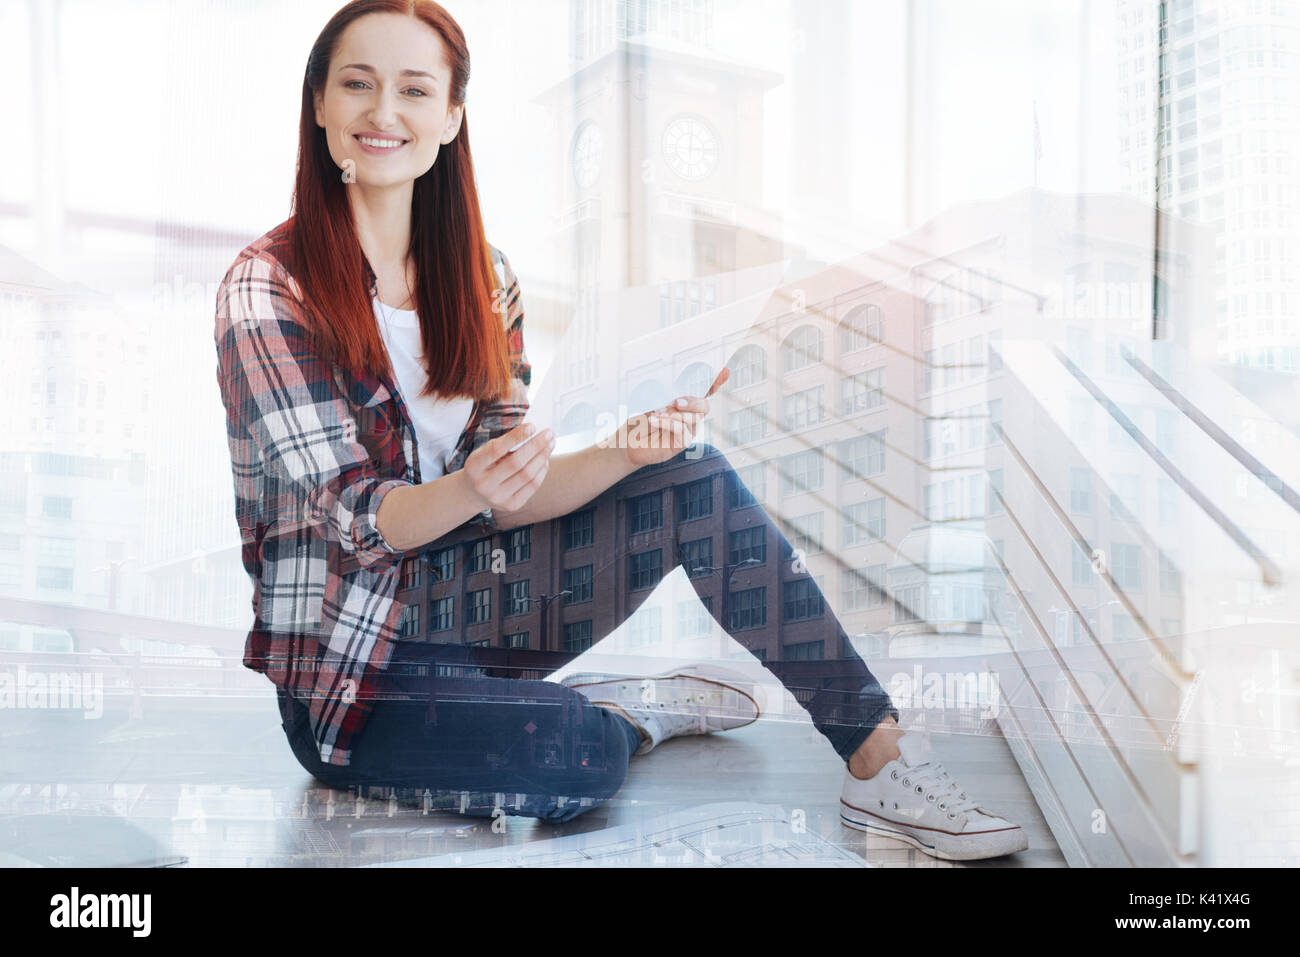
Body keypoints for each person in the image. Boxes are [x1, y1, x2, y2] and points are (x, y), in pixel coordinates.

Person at [213, 0, 1027, 861]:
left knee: (693, 477)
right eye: (358, 85)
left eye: (414, 90)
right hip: (353, 680)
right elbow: (356, 517)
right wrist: (476, 485)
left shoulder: (483, 279)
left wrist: (627, 450)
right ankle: (632, 710)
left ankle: (878, 762)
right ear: (321, 106)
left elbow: (509, 501)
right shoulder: (267, 289)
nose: (385, 113)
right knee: (576, 760)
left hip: (469, 601)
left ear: (450, 118)